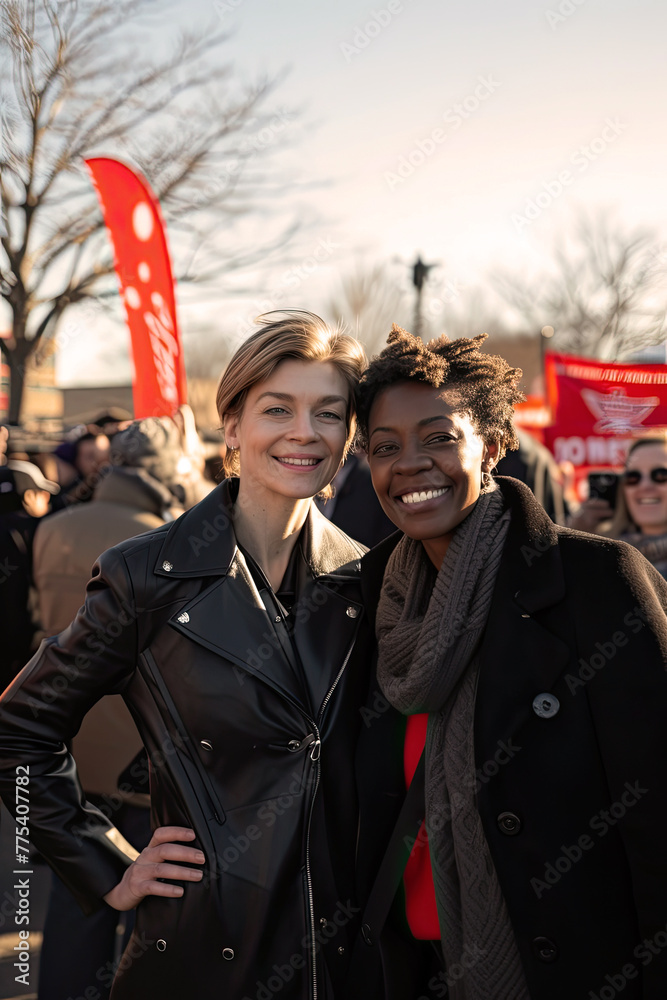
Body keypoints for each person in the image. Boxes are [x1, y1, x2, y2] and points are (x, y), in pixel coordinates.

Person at [0, 311, 371, 1000]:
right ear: (230, 427)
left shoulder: (370, 578)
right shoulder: (146, 575)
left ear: (347, 435)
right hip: (203, 948)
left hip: (345, 952)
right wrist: (105, 863)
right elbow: (19, 727)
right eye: (277, 409)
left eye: (328, 412)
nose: (304, 431)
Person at [353, 325, 667, 1000]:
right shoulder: (366, 605)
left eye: (439, 437)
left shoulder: (595, 583)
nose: (410, 463)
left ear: (492, 445)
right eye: (385, 447)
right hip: (412, 976)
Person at [32, 417, 184, 1000]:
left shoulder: (54, 527)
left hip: (67, 746)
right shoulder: (168, 540)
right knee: (153, 912)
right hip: (145, 754)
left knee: (79, 899)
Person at [569, 432, 667, 577]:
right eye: (633, 477)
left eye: (660, 475)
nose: (645, 485)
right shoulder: (603, 554)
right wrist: (574, 540)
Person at [0, 460, 60, 688]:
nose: (48, 501)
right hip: (22, 661)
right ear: (28, 497)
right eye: (44, 494)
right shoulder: (41, 533)